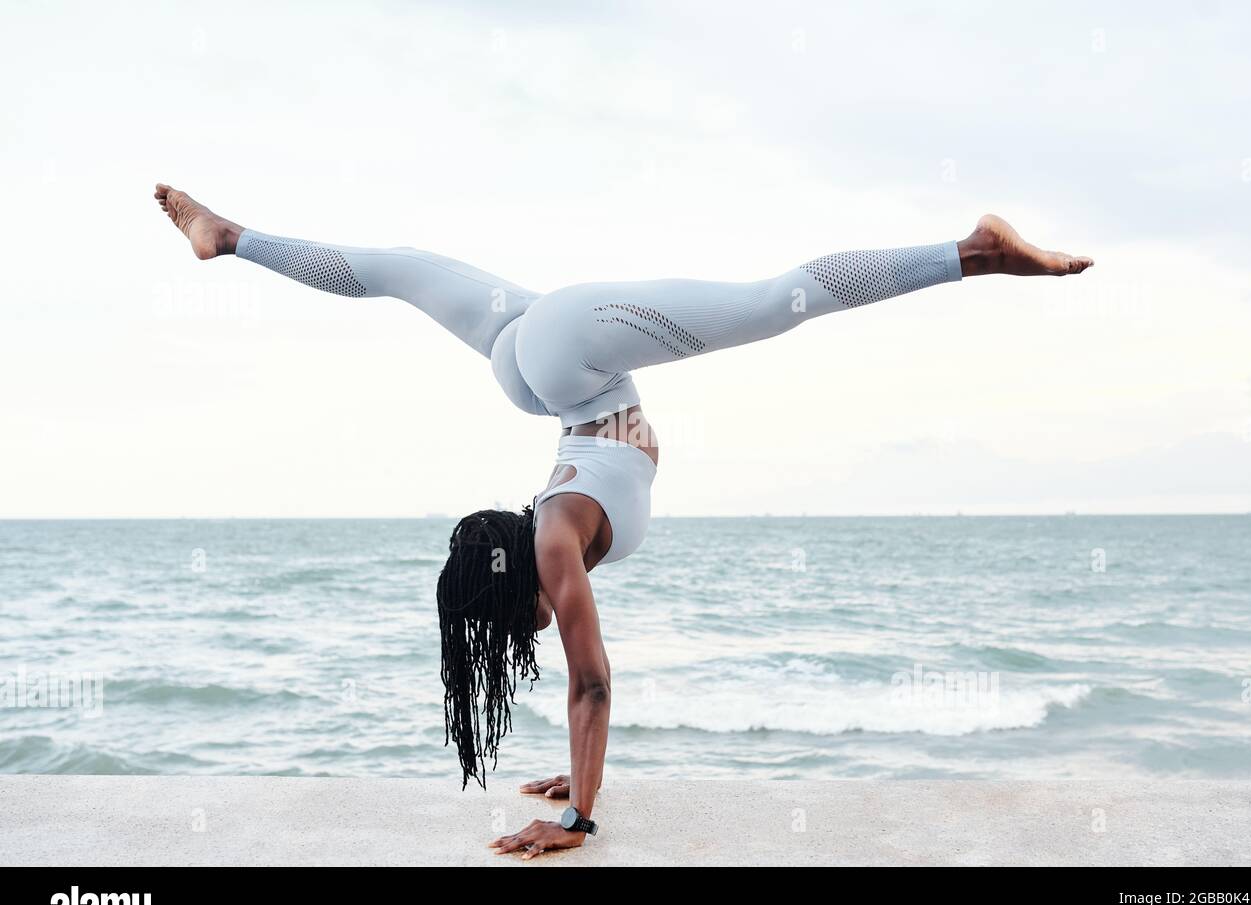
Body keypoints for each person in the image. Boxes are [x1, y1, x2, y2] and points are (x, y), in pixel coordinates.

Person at [154, 183, 1092, 857]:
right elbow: (582, 691)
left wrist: (578, 818)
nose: (524, 636)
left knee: (774, 303)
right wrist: (578, 768)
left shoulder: (556, 544)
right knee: (399, 273)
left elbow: (593, 685)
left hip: (562, 355)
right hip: (544, 373)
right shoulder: (550, 530)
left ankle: (973, 251)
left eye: (504, 626)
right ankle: (231, 237)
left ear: (517, 584)